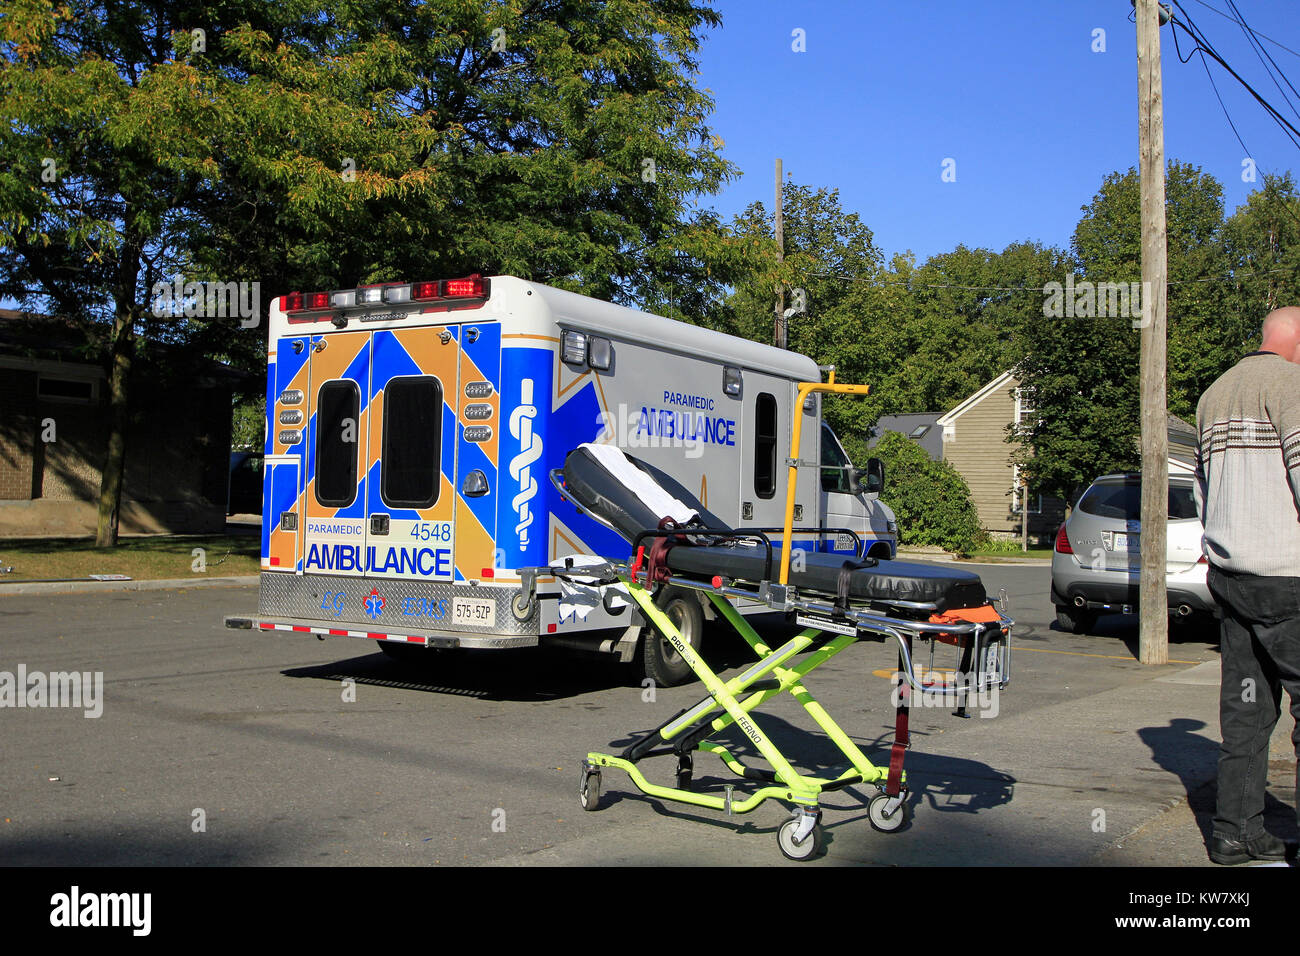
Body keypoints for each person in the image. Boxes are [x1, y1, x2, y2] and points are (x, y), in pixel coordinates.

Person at [1194, 305, 1300, 865]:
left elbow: (1204, 489)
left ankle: (1235, 833)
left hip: (1232, 579)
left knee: (1246, 710)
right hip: (1289, 577)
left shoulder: (1215, 393)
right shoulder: (1293, 387)